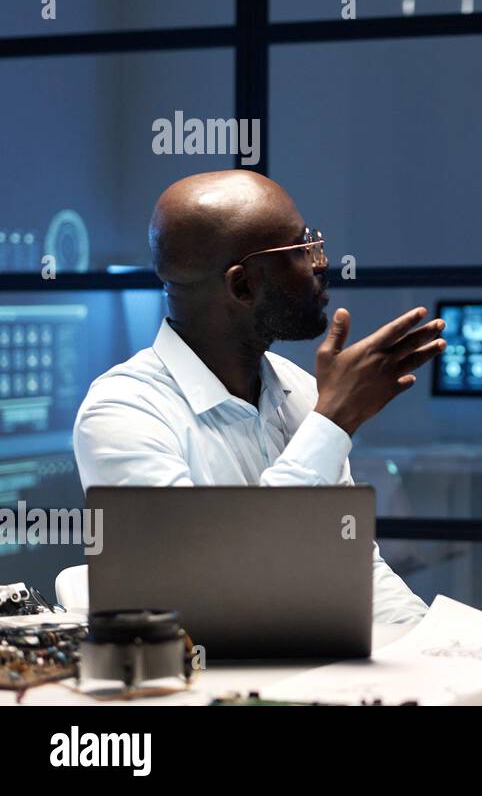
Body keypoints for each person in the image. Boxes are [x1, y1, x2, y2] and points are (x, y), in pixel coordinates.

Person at [74, 170, 443, 624]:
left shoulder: (300, 390)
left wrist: (439, 650)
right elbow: (209, 584)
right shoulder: (123, 412)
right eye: (301, 249)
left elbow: (355, 569)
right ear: (242, 285)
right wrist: (331, 423)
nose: (321, 262)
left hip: (318, 668)